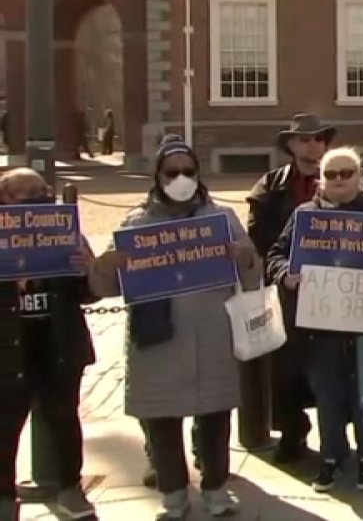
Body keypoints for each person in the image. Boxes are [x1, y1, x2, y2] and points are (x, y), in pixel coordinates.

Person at [89, 135, 260, 520]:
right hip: (157, 341)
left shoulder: (221, 219)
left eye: (188, 171)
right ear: (158, 176)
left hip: (212, 335)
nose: (181, 178)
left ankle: (216, 489)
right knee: (162, 423)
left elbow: (252, 277)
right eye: (173, 172)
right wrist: (106, 266)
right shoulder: (137, 221)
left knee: (215, 417)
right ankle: (174, 494)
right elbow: (107, 288)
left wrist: (247, 259)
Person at [267, 147, 363, 492]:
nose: (340, 180)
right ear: (321, 179)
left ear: (361, 174)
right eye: (332, 174)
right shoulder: (304, 216)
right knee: (327, 395)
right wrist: (285, 274)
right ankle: (331, 458)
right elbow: (274, 254)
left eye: (347, 172)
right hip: (320, 327)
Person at [0, 169, 98, 520]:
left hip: (59, 343)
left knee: (64, 418)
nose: (34, 197)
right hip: (9, 347)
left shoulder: (64, 232)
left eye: (40, 190)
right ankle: (4, 497)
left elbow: (90, 294)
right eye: (22, 193)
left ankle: (70, 489)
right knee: (5, 424)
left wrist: (89, 269)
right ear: (5, 199)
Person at [246, 113, 335, 464]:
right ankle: (291, 433)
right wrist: (284, 268)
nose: (312, 145)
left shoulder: (344, 178)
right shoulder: (269, 186)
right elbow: (259, 239)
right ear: (292, 145)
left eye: (318, 138)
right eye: (304, 139)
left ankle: (336, 436)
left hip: (334, 288)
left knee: (332, 365)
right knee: (284, 367)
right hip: (287, 289)